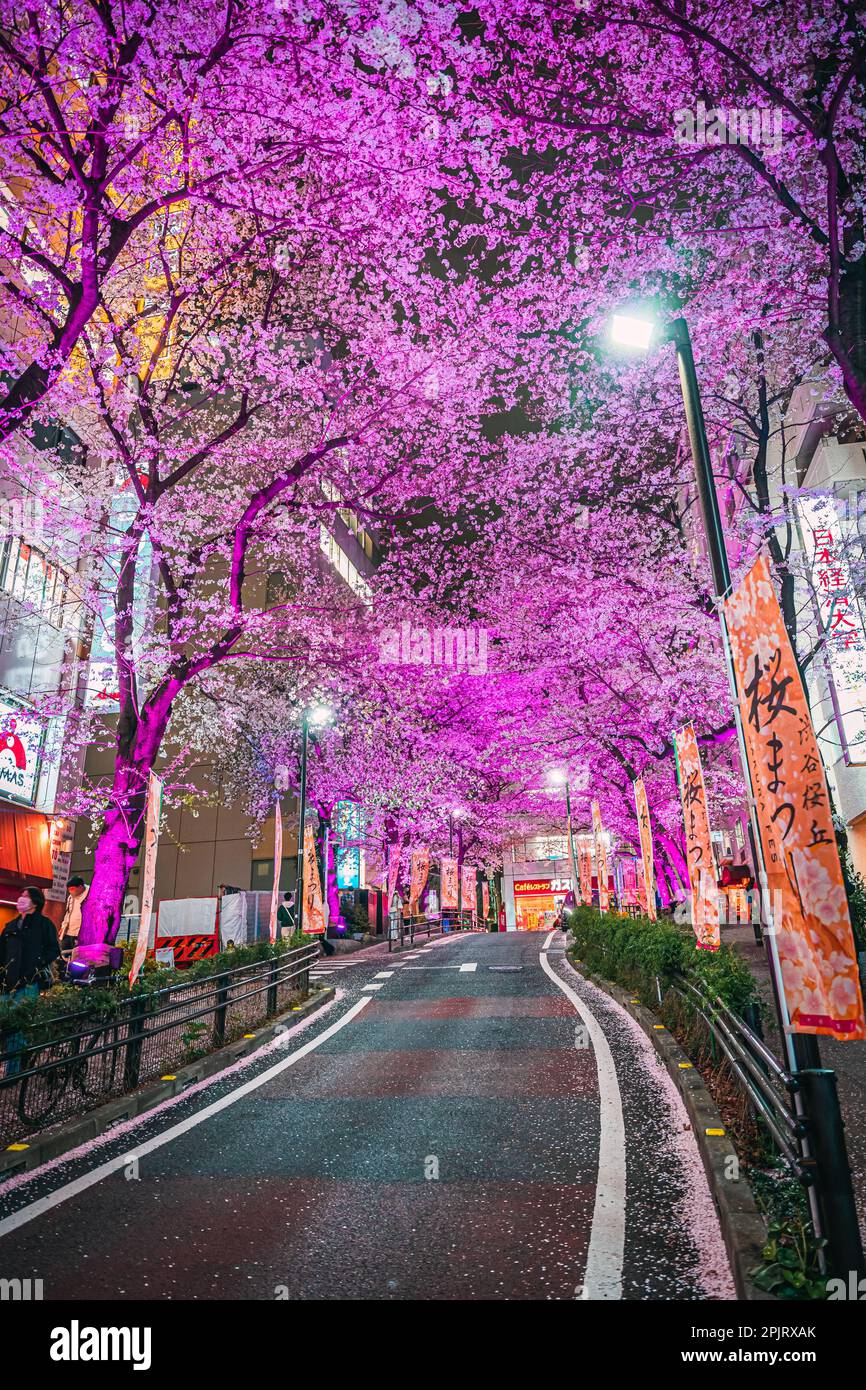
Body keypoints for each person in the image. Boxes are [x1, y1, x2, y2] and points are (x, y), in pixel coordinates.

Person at [0, 886, 61, 999]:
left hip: (30, 983)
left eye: (26, 896)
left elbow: (53, 949)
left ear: (36, 902)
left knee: (24, 1014)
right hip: (6, 983)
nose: (21, 899)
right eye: (21, 896)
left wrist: (38, 963)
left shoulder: (45, 924)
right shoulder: (11, 926)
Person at [60, 874, 89, 953]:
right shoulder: (71, 897)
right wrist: (63, 926)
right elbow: (68, 913)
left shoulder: (90, 895)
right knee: (63, 956)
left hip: (80, 934)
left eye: (72, 889)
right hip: (68, 933)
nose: (70, 891)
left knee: (78, 958)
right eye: (69, 890)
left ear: (80, 887)